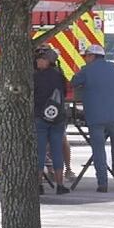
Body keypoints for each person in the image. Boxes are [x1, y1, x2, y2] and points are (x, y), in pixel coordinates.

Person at [68, 43, 114, 191]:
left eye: (86, 56)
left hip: (96, 114)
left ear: (92, 56)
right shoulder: (113, 67)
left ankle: (102, 182)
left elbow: (74, 82)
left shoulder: (86, 70)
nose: (85, 59)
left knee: (99, 148)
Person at [31, 47, 70, 194]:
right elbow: (64, 94)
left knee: (39, 152)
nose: (38, 61)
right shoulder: (59, 75)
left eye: (41, 59)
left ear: (49, 61)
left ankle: (38, 185)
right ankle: (60, 185)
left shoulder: (35, 77)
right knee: (57, 151)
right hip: (57, 118)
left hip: (40, 117)